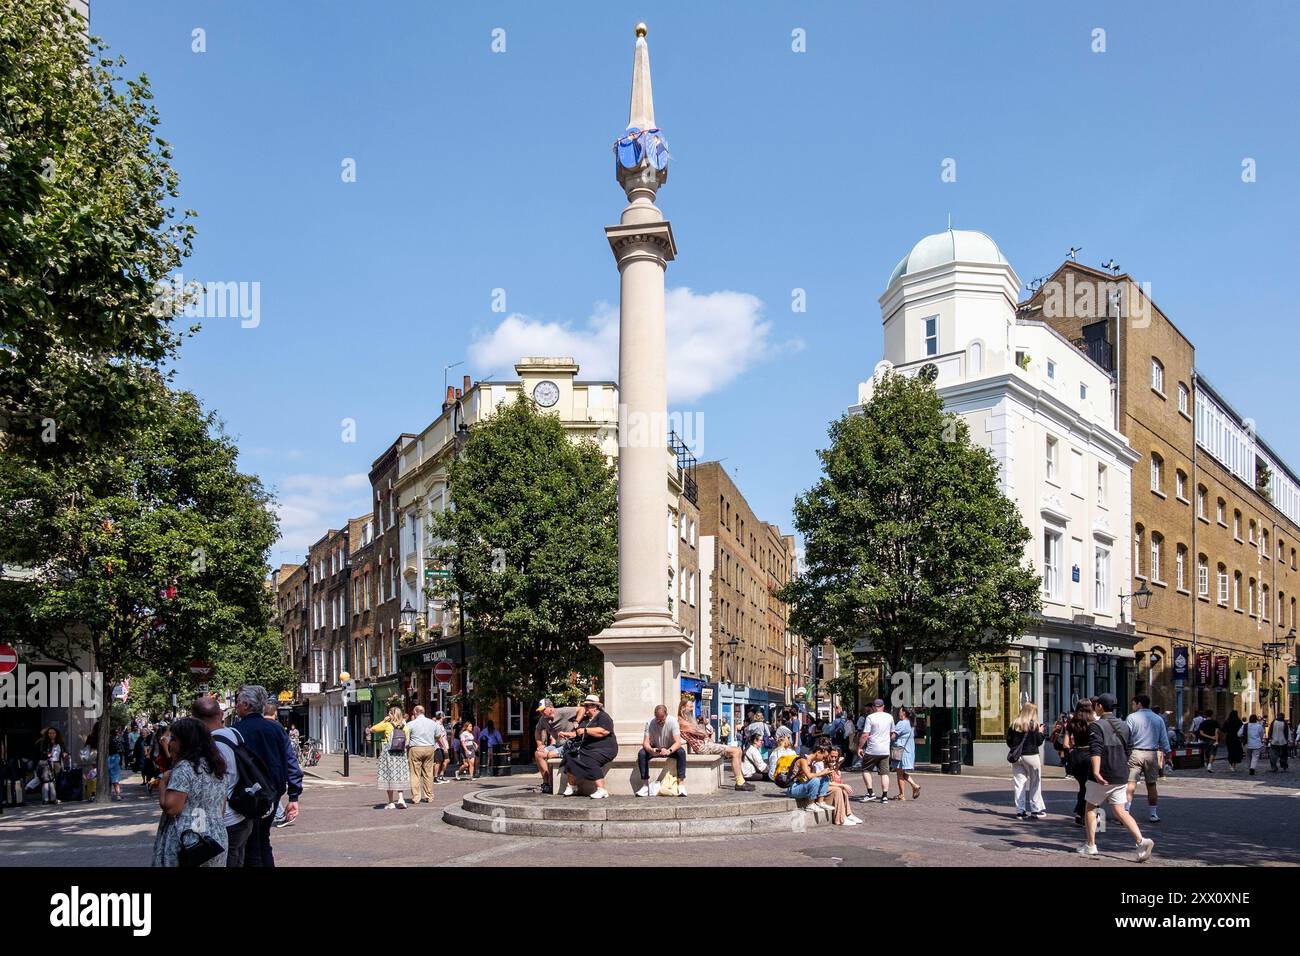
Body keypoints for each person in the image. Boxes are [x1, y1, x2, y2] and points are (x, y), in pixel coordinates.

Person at [1077, 694, 1154, 862]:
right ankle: (1141, 841)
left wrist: (1096, 771)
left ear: (1099, 707)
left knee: (1090, 807)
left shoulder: (1096, 726)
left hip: (1103, 773)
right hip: (1121, 773)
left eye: (1096, 705)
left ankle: (1090, 845)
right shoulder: (1124, 725)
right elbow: (1130, 749)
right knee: (1120, 810)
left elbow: (1096, 750)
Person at [234, 685, 300, 867]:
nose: (236, 706)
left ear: (246, 705)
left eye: (238, 703)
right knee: (263, 840)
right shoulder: (276, 729)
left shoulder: (236, 730)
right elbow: (291, 762)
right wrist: (293, 796)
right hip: (271, 794)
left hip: (246, 795)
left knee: (251, 845)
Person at [151, 717, 229, 868]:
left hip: (188, 839)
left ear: (186, 742)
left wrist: (162, 784)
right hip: (215, 838)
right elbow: (222, 808)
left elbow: (171, 807)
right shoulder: (217, 767)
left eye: (173, 739)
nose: (170, 744)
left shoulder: (185, 768)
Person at [192, 696, 250, 867]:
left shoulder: (208, 745)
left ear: (195, 719)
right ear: (220, 714)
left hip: (224, 820)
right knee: (238, 859)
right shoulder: (235, 734)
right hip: (242, 813)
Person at [676, 700, 756, 792]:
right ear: (683, 708)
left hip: (706, 744)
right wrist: (702, 731)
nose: (692, 709)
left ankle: (741, 780)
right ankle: (739, 782)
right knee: (736, 751)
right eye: (690, 707)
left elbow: (703, 732)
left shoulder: (688, 720)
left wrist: (702, 731)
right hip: (702, 747)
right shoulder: (682, 722)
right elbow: (702, 732)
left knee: (738, 750)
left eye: (692, 706)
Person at [1124, 695, 1169, 823]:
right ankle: (1153, 813)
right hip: (1152, 753)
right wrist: (1168, 752)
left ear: (1139, 704)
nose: (1132, 706)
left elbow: (1127, 736)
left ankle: (1126, 811)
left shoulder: (1131, 717)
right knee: (1151, 784)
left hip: (1136, 752)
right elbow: (1163, 738)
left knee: (1131, 782)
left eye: (1133, 704)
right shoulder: (1158, 718)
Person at [562, 695, 618, 798]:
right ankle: (572, 785)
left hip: (605, 749)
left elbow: (604, 731)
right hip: (589, 748)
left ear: (595, 707)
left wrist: (586, 730)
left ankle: (602, 789)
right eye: (585, 706)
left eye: (587, 706)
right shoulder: (586, 720)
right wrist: (567, 734)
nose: (585, 709)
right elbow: (578, 733)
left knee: (591, 759)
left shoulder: (603, 716)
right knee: (570, 756)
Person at [1057, 700, 1097, 827]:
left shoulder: (1072, 723)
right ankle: (1088, 815)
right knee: (1091, 787)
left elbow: (1065, 744)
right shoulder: (1093, 723)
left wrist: (1071, 754)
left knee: (1082, 786)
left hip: (1077, 755)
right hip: (1090, 755)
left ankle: (1080, 813)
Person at [636, 704, 687, 796]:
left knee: (681, 752)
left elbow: (678, 742)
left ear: (666, 715)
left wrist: (669, 751)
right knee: (642, 753)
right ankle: (645, 786)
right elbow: (645, 743)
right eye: (657, 719)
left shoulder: (672, 721)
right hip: (656, 748)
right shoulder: (650, 723)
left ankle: (681, 785)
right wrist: (651, 750)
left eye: (662, 719)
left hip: (669, 748)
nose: (659, 721)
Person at [1007, 703, 1047, 819]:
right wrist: (1040, 732)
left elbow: (1009, 742)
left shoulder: (1014, 724)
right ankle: (1035, 810)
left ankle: (1020, 811)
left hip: (1017, 757)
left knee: (1019, 784)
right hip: (1031, 756)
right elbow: (1038, 742)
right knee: (1035, 783)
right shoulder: (1034, 725)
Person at [367, 707, 411, 809]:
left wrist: (384, 720)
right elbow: (407, 742)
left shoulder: (387, 725)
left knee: (388, 776)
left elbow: (372, 729)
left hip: (389, 753)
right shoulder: (405, 727)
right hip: (400, 754)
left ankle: (391, 802)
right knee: (400, 775)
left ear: (391, 715)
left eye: (389, 713)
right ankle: (401, 798)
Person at [857, 698, 895, 803]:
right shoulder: (889, 717)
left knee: (866, 770)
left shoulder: (870, 717)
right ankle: (884, 796)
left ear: (874, 707)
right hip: (884, 750)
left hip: (872, 749)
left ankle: (870, 793)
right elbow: (892, 734)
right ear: (883, 707)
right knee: (884, 773)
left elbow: (865, 735)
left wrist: (859, 747)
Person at [405, 705, 441, 802]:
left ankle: (416, 797)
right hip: (429, 748)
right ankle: (429, 796)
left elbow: (406, 738)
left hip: (415, 748)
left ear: (415, 712)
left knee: (415, 774)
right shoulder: (433, 723)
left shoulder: (410, 724)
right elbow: (438, 735)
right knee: (428, 773)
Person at [891, 706, 921, 801]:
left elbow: (893, 736)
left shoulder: (902, 723)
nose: (898, 713)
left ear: (904, 713)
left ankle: (902, 794)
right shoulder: (910, 723)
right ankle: (914, 785)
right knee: (902, 772)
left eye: (900, 711)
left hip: (901, 751)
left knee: (899, 774)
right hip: (908, 750)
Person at [36, 728, 64, 805]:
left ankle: (53, 798)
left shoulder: (60, 742)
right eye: (50, 733)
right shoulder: (44, 742)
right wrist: (47, 754)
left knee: (55, 781)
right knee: (47, 780)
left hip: (57, 763)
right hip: (47, 763)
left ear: (56, 734)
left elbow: (63, 750)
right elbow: (41, 751)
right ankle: (47, 799)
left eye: (53, 733)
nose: (51, 735)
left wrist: (65, 754)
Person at [107, 736, 124, 801]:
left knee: (113, 783)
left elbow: (112, 764)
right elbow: (116, 763)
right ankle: (118, 795)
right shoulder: (117, 756)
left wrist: (108, 767)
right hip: (115, 771)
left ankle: (117, 795)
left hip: (112, 771)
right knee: (115, 783)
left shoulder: (110, 756)